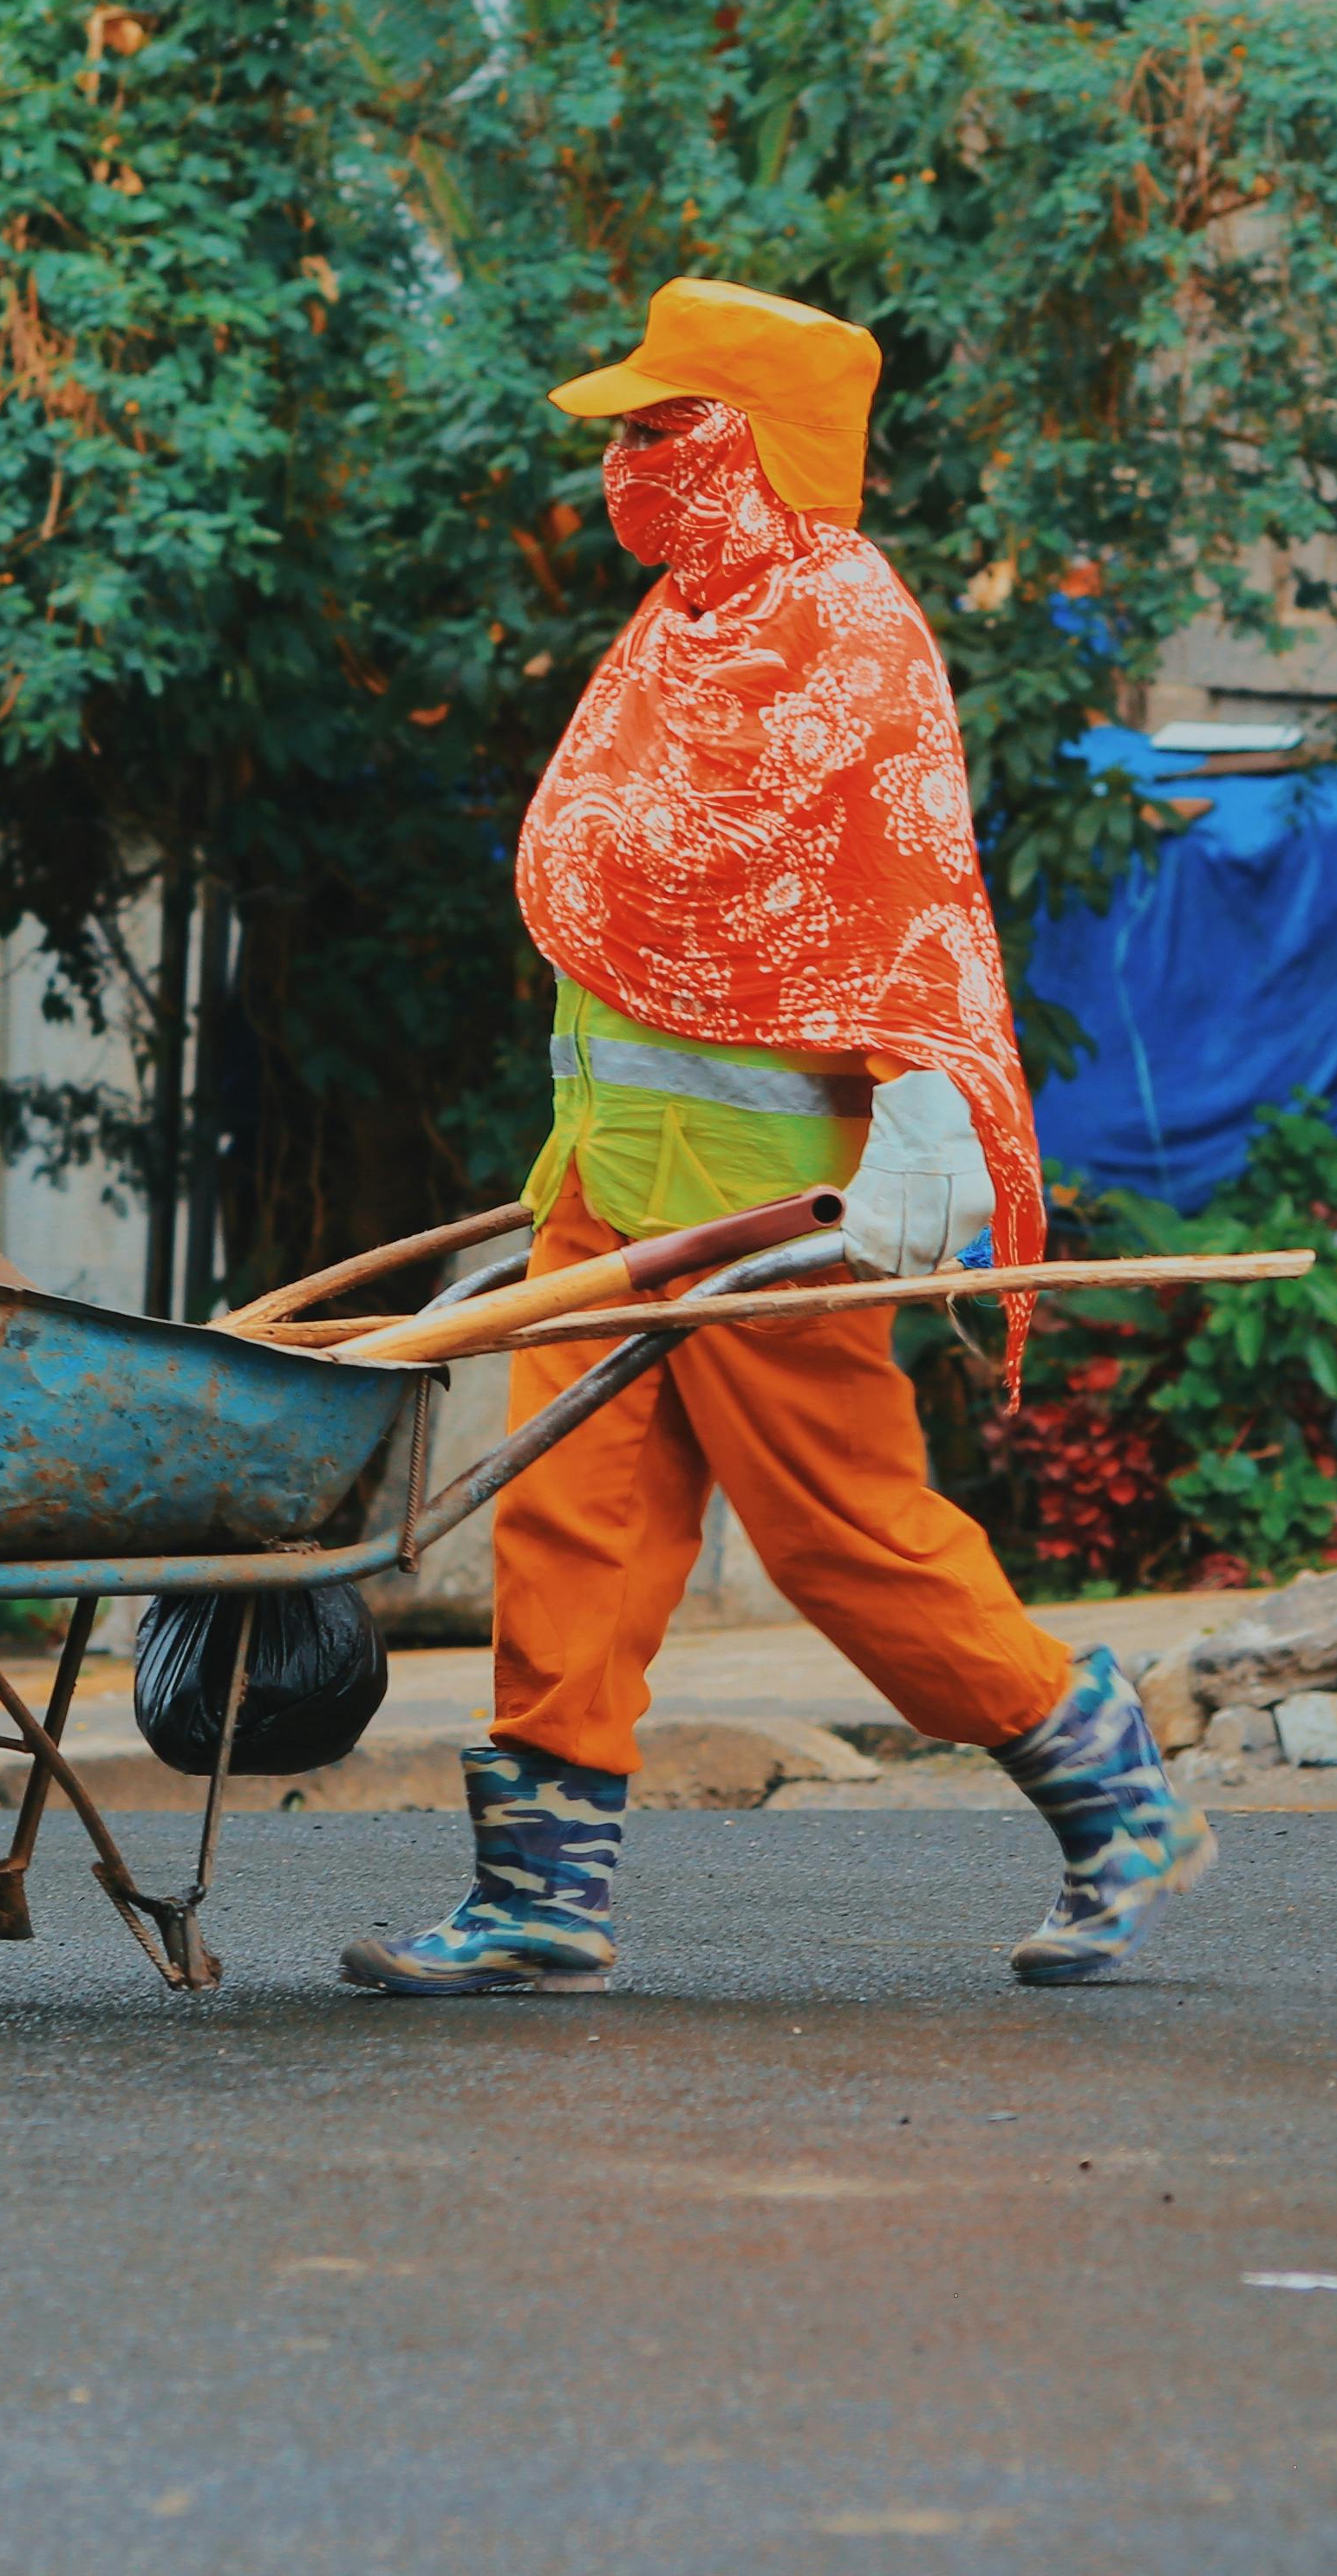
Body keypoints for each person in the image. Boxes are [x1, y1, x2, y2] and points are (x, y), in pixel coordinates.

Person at [340, 280, 1210, 1995]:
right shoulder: (680, 621)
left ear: (753, 441)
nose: (628, 460)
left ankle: (1108, 1781)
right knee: (564, 1525)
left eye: (663, 428)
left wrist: (918, 1115)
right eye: (623, 433)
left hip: (773, 1207)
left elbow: (905, 894)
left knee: (843, 1538)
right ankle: (537, 1901)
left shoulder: (844, 621)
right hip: (598, 1184)